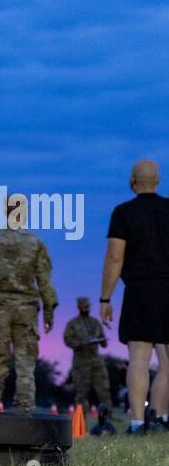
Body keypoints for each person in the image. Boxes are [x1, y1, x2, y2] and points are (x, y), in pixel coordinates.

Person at [100, 159, 169, 434]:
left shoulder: (123, 213)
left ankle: (139, 422)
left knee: (139, 357)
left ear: (133, 180)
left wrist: (105, 297)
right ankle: (162, 417)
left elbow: (115, 257)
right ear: (158, 180)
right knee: (167, 361)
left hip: (140, 290)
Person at [0, 194, 56, 412]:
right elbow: (45, 281)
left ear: (5, 211)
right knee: (26, 362)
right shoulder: (35, 243)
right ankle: (25, 409)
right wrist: (48, 312)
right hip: (27, 309)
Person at [63, 296, 115, 434]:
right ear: (79, 307)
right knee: (81, 394)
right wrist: (81, 343)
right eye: (83, 306)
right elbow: (67, 340)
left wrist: (102, 341)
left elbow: (103, 342)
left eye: (88, 306)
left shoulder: (95, 322)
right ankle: (80, 426)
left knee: (104, 392)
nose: (86, 308)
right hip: (81, 363)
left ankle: (108, 424)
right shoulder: (72, 324)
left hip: (97, 362)